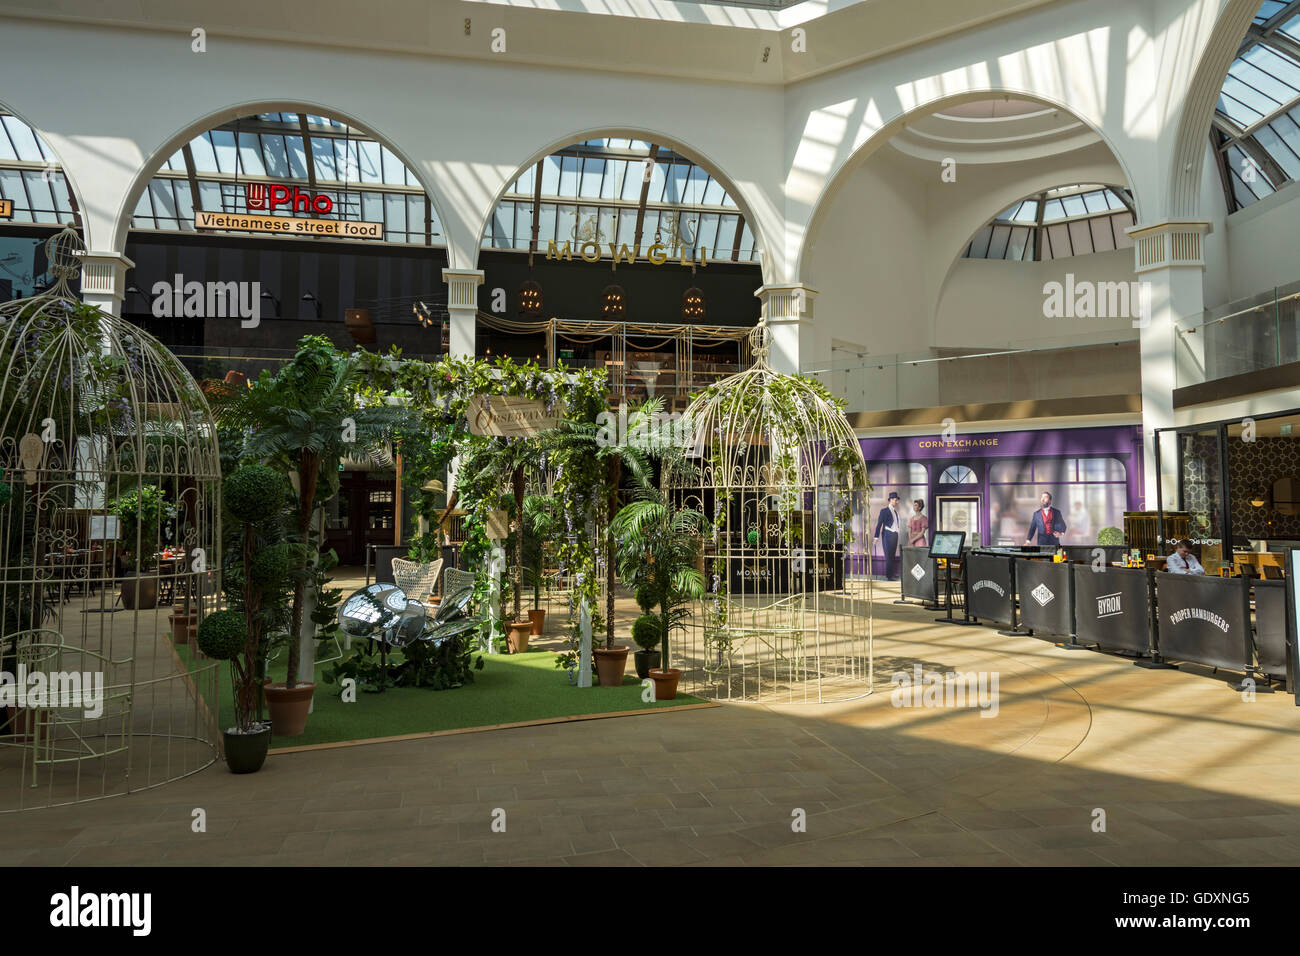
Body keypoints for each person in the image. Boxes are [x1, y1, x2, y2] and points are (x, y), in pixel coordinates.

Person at [873, 492, 903, 580]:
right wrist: (876, 537)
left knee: (892, 555)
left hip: (894, 535)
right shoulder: (884, 511)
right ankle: (889, 576)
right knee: (889, 555)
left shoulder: (895, 512)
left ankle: (892, 574)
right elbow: (879, 525)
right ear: (890, 500)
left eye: (897, 500)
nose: (896, 502)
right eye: (895, 500)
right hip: (887, 535)